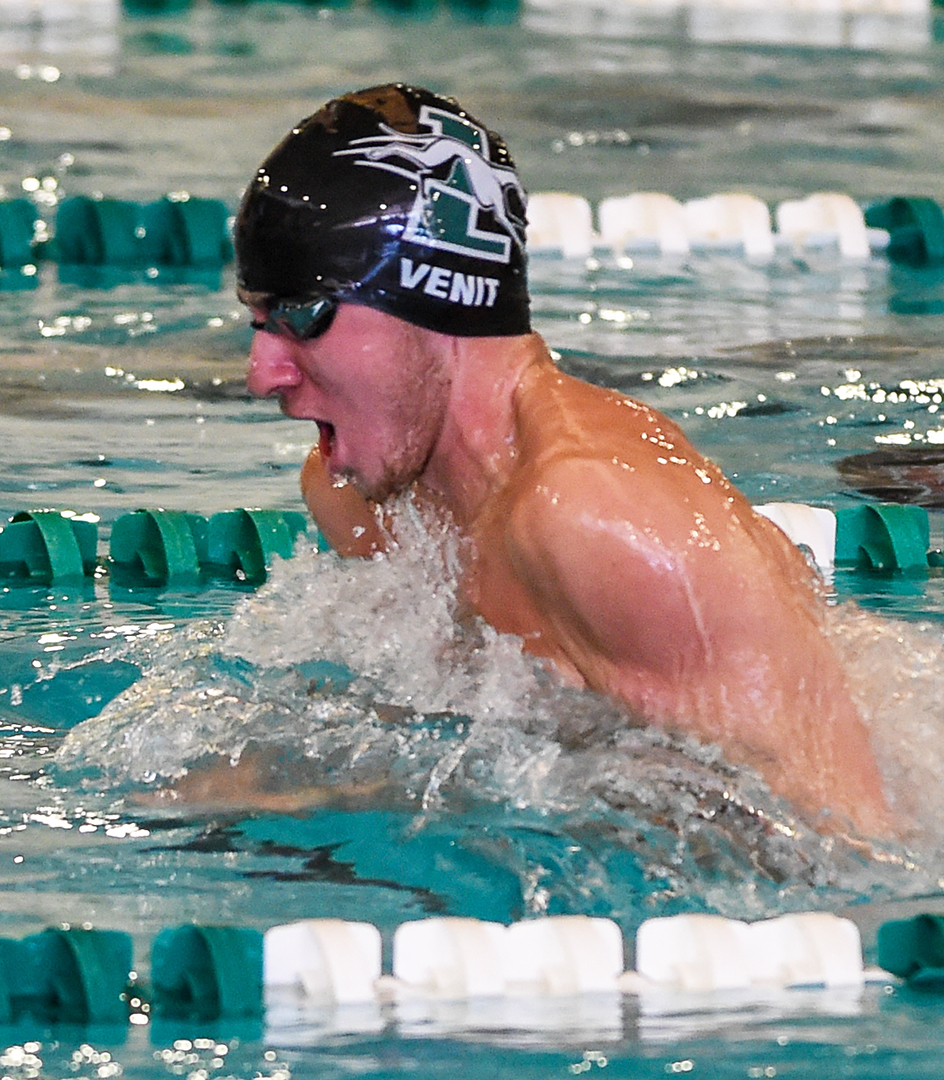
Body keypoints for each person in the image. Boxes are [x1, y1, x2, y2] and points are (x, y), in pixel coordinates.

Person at [234, 83, 892, 836]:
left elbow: (848, 850)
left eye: (301, 317)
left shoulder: (595, 519)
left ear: (433, 300)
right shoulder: (359, 497)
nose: (261, 373)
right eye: (258, 320)